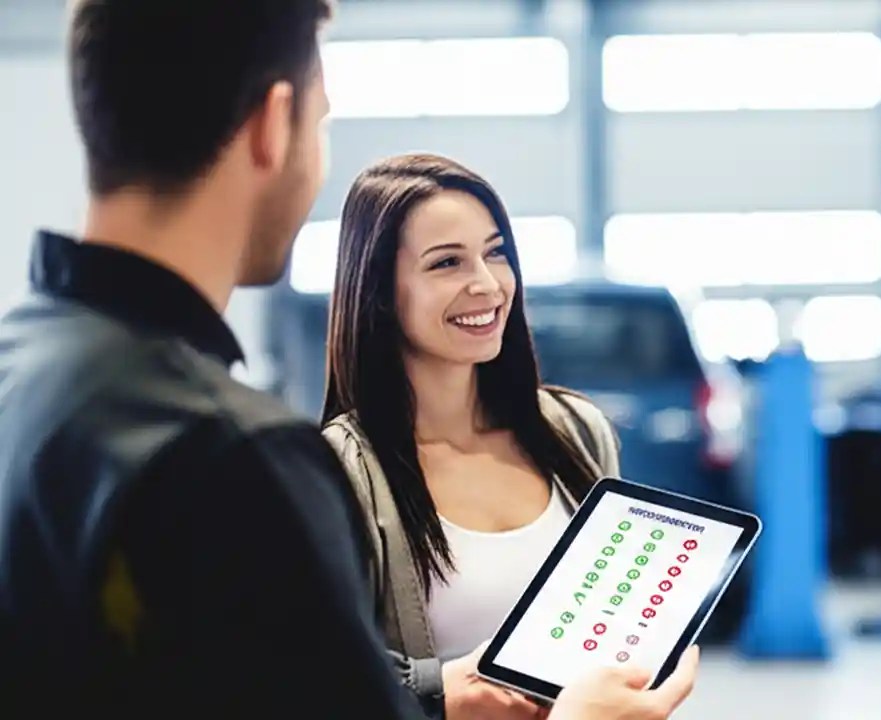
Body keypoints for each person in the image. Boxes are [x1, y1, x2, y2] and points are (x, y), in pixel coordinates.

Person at [0, 2, 697, 719]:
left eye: (494, 254)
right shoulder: (236, 455)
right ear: (275, 123)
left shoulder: (27, 365)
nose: (484, 283)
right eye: (322, 119)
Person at [321, 153, 624, 719]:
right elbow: (317, 676)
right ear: (382, 291)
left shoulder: (576, 431)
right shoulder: (341, 470)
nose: (487, 285)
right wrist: (441, 692)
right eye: (447, 264)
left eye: (495, 254)